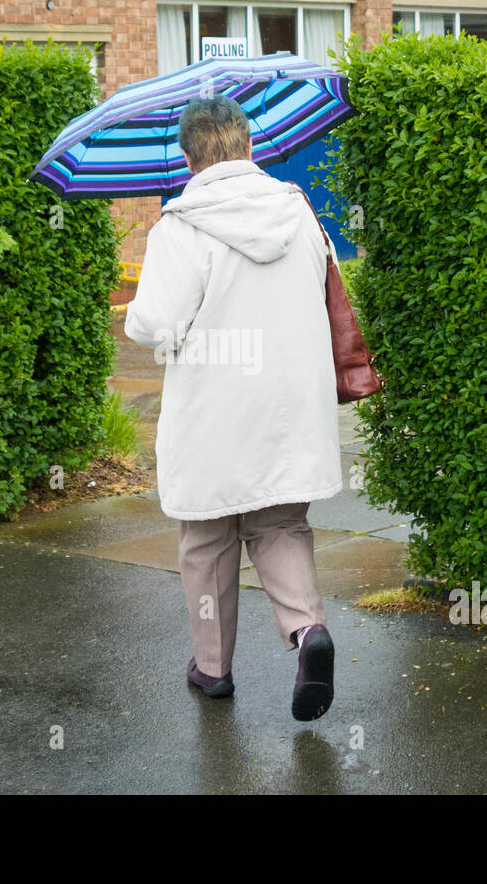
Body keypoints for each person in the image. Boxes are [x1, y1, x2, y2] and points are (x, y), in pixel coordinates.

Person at [124, 95, 342, 721]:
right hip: (289, 404)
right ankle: (308, 634)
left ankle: (213, 669)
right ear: (248, 147)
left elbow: (153, 325)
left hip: (215, 410)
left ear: (188, 159)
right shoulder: (299, 212)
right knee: (278, 524)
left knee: (208, 535)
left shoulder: (179, 228)